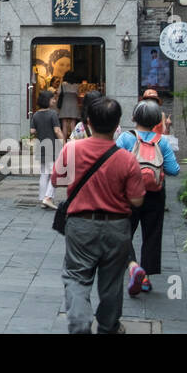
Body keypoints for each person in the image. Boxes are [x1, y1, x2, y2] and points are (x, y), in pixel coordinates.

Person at [52, 96, 145, 334]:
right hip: (116, 228)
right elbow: (137, 200)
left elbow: (57, 180)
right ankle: (108, 327)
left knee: (76, 277)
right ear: (117, 125)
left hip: (80, 226)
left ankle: (80, 325)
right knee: (112, 283)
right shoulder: (127, 159)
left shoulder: (72, 149)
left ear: (89, 122)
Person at [116, 100, 181, 295]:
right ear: (156, 121)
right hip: (155, 194)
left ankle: (133, 266)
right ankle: (146, 277)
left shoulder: (126, 138)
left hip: (128, 194)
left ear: (133, 118)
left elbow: (114, 165)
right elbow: (174, 170)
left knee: (122, 233)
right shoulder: (162, 141)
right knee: (152, 234)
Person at [31, 89, 64, 209]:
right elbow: (57, 131)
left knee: (44, 173)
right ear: (47, 101)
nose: (54, 100)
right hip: (53, 147)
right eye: (52, 98)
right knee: (54, 173)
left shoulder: (35, 115)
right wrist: (64, 143)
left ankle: (42, 199)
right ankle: (48, 197)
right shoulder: (53, 114)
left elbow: (32, 131)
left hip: (41, 146)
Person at [56, 70, 81, 139]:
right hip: (74, 105)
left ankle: (64, 141)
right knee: (73, 123)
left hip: (65, 104)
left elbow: (58, 93)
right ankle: (73, 140)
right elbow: (78, 95)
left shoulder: (63, 84)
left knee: (64, 124)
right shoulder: (76, 85)